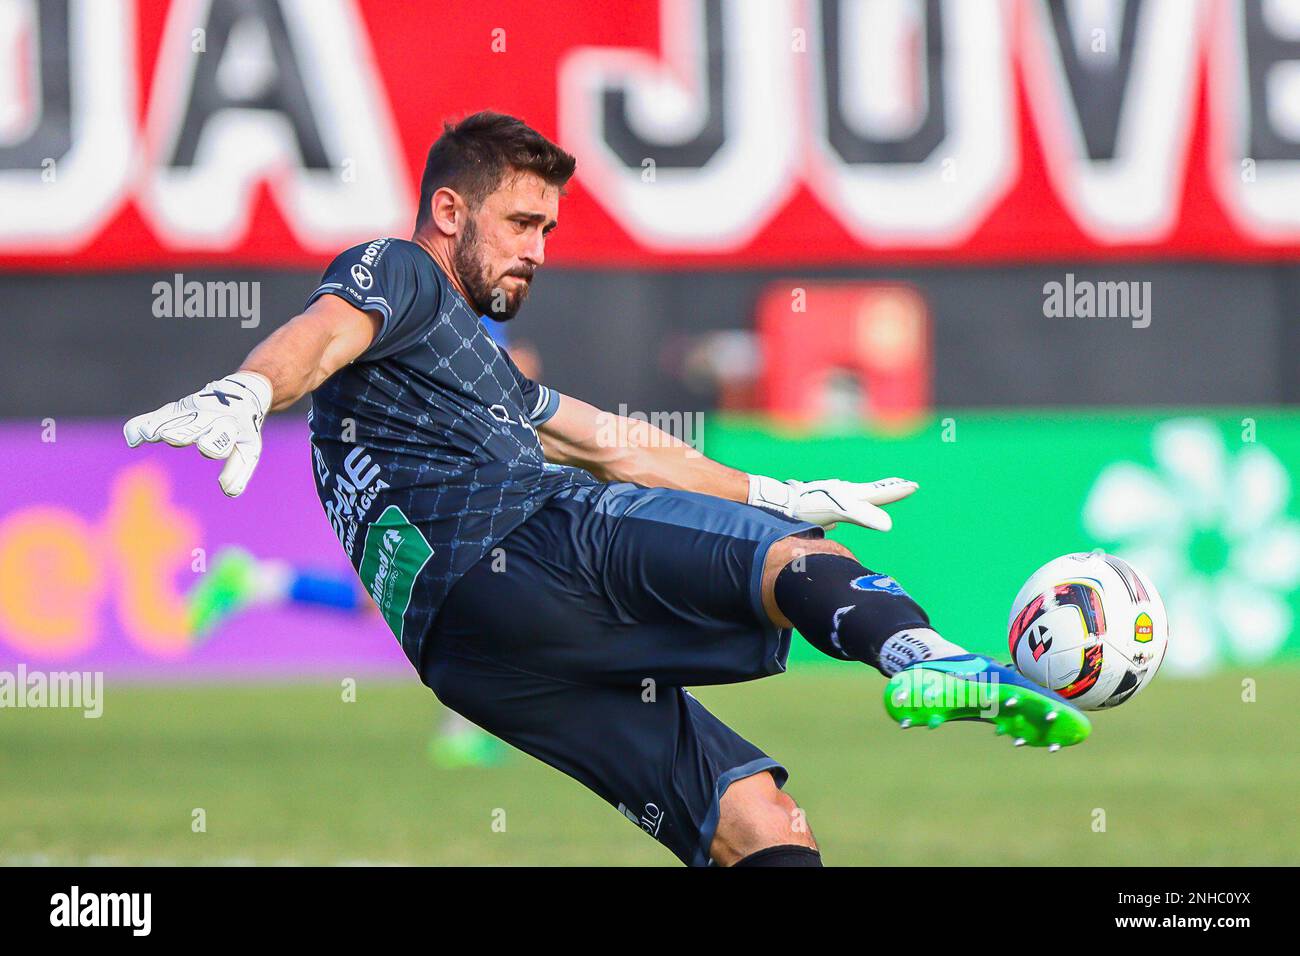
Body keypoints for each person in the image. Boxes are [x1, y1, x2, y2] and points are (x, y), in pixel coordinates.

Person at [124, 111, 1088, 867]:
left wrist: (775, 489)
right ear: (451, 211)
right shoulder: (402, 271)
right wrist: (249, 389)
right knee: (795, 568)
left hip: (474, 658)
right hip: (523, 542)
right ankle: (925, 658)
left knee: (761, 826)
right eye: (521, 222)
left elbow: (615, 444)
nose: (538, 248)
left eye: (548, 227)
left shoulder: (471, 361)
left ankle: (876, 663)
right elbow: (325, 330)